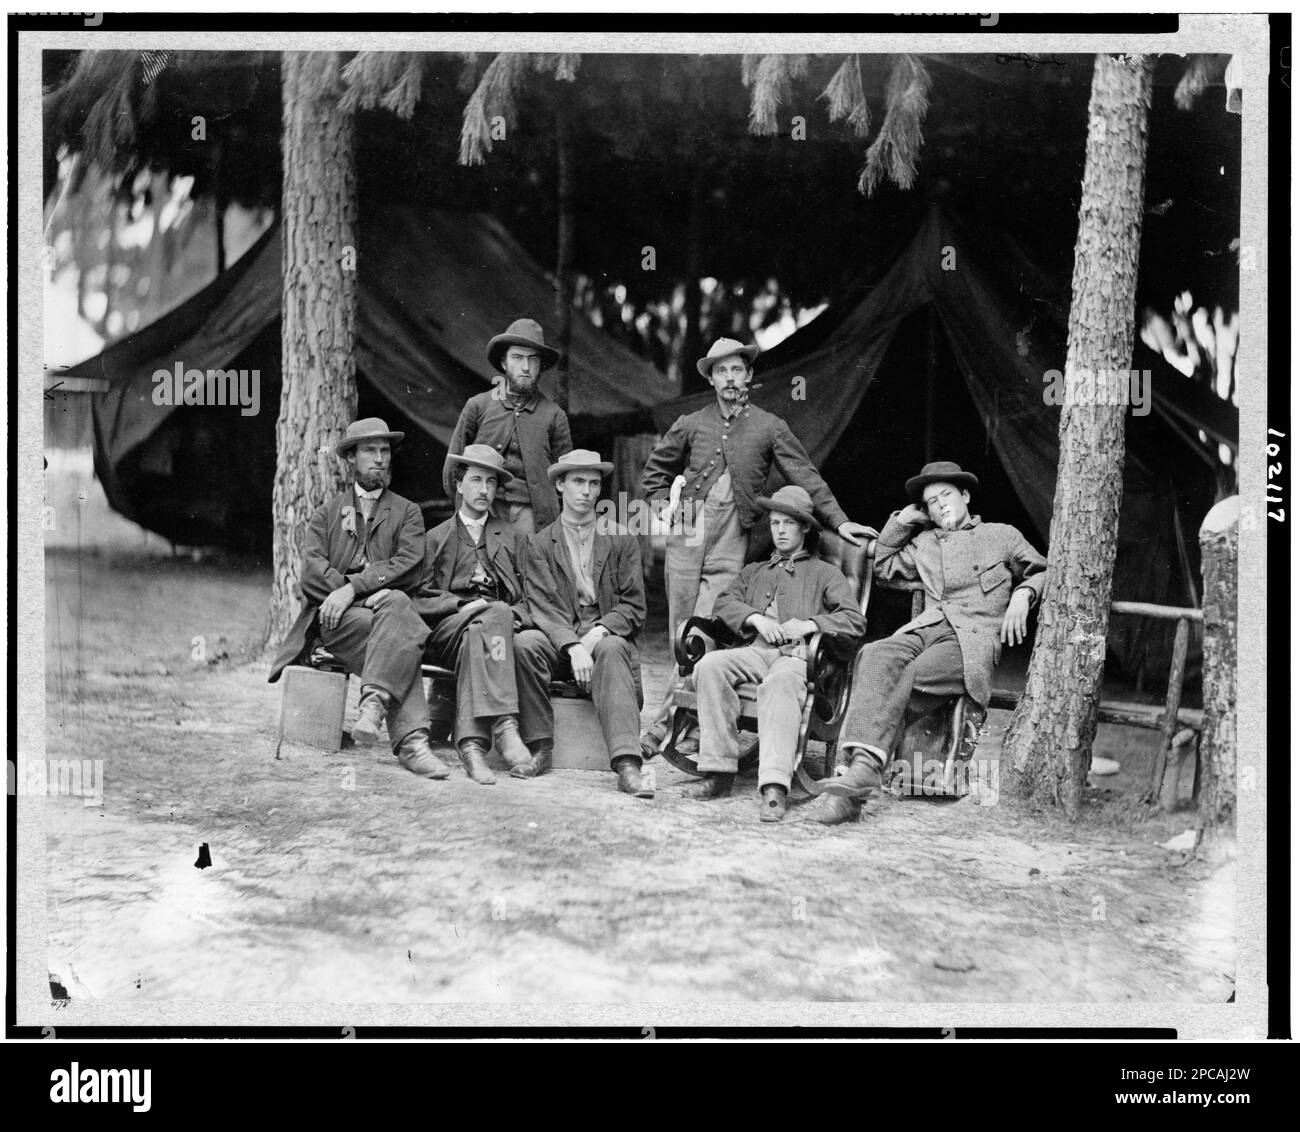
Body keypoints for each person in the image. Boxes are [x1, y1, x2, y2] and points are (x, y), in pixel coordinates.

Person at [638, 337, 876, 758]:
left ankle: (673, 729)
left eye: (737, 370)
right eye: (721, 371)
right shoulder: (690, 422)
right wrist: (663, 504)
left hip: (733, 536)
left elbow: (805, 475)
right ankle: (677, 723)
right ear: (711, 378)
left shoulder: (770, 426)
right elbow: (655, 471)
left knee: (710, 632)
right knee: (683, 635)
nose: (730, 378)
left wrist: (840, 521)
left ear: (748, 376)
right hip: (687, 534)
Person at [811, 460, 1048, 824]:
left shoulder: (1002, 535)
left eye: (946, 495)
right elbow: (883, 564)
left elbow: (1043, 568)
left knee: (908, 674)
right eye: (930, 502)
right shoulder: (924, 542)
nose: (940, 506)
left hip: (970, 640)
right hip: (928, 627)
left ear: (966, 495)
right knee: (875, 653)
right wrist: (905, 520)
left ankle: (855, 775)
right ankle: (856, 778)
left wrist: (1023, 594)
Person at [268, 417, 450, 779]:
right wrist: (359, 597)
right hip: (337, 622)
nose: (380, 459)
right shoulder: (326, 514)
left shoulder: (407, 512)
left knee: (397, 613)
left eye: (385, 451)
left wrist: (352, 588)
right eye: (370, 451)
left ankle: (381, 712)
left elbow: (409, 565)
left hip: (382, 614)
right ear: (351, 458)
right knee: (401, 625)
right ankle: (409, 740)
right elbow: (311, 575)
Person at [687, 486, 867, 822]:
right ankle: (718, 772)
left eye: (788, 524)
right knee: (710, 665)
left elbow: (854, 621)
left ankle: (774, 785)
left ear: (805, 528)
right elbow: (724, 602)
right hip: (755, 651)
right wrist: (754, 617)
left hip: (797, 659)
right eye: (774, 523)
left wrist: (811, 624)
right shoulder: (756, 570)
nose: (780, 531)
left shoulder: (825, 573)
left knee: (781, 681)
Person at [415, 444, 555, 786]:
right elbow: (418, 598)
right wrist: (461, 606)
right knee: (488, 617)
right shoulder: (435, 538)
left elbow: (534, 595)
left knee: (484, 630)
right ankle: (505, 726)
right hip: (448, 627)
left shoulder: (514, 536)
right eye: (476, 481)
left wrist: (508, 618)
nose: (484, 490)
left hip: (490, 632)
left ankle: (472, 749)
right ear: (459, 485)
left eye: (491, 483)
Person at [523, 450, 654, 799]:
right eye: (578, 481)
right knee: (525, 644)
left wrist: (598, 632)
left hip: (604, 637)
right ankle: (540, 747)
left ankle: (627, 764)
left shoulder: (621, 538)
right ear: (560, 486)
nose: (587, 491)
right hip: (560, 643)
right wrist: (573, 645)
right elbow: (543, 606)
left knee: (612, 648)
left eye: (594, 483)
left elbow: (634, 606)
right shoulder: (540, 544)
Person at [443, 317, 573, 536]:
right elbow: (452, 467)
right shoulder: (478, 406)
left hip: (532, 516)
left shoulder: (554, 416)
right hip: (484, 511)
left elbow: (566, 480)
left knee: (528, 567)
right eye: (517, 357)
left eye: (533, 359)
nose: (525, 367)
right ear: (504, 363)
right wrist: (466, 509)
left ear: (540, 365)